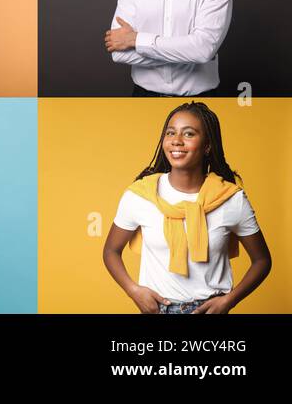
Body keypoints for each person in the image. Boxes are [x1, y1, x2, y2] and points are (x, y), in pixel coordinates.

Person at [102, 102, 270, 313]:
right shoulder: (141, 195)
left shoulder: (230, 198)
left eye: (189, 134)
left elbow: (262, 260)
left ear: (207, 146)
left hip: (209, 309)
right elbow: (110, 251)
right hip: (158, 309)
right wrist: (133, 290)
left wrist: (229, 300)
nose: (176, 141)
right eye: (170, 133)